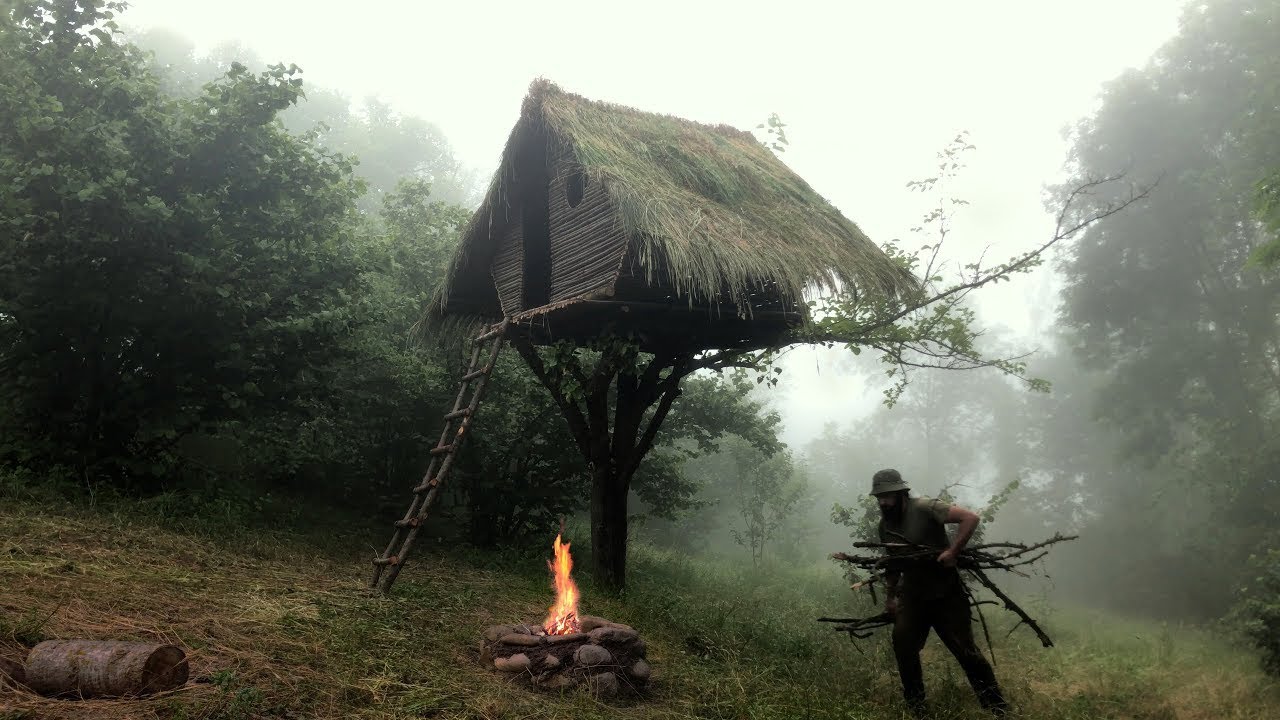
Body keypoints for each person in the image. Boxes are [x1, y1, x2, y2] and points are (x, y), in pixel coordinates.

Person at [871, 468, 1008, 717]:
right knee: (903, 646)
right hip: (913, 598)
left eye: (888, 495)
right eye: (879, 497)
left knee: (966, 653)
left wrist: (953, 551)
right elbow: (893, 564)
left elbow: (970, 517)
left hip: (947, 595)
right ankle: (918, 709)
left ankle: (998, 709)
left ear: (901, 492)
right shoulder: (885, 525)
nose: (883, 501)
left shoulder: (925, 507)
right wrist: (890, 598)